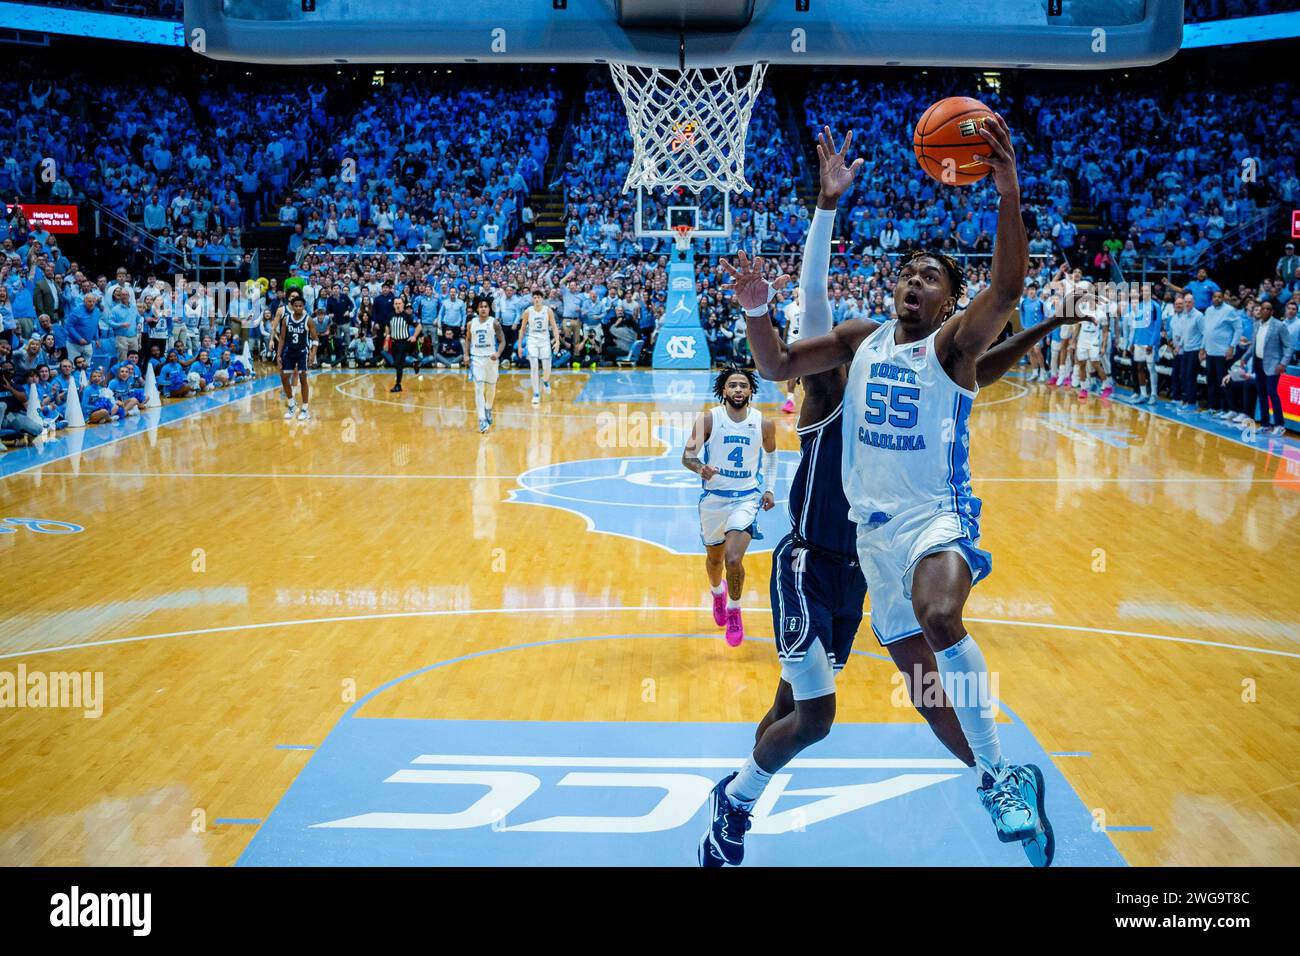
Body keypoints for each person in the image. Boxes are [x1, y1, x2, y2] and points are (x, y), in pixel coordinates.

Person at [731, 115, 1053, 862]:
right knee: (931, 700)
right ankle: (1003, 780)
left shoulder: (955, 345)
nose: (914, 279)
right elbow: (776, 363)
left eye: (931, 276)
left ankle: (1001, 778)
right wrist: (753, 307)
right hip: (874, 546)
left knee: (942, 615)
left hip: (935, 520)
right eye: (907, 270)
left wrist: (1005, 189)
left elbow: (1007, 285)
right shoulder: (858, 339)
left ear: (950, 302)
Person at [681, 365, 777, 648]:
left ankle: (735, 612)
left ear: (751, 390)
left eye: (743, 385)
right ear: (723, 390)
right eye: (732, 385)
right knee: (715, 561)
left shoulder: (764, 423)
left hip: (746, 497)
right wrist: (701, 468)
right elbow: (687, 456)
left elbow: (771, 457)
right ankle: (717, 593)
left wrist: (769, 488)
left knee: (733, 559)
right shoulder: (709, 418)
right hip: (714, 500)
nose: (738, 389)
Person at [467, 297, 505, 434]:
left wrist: (498, 353)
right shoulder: (471, 323)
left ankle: (488, 408)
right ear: (477, 309)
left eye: (486, 306)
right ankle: (482, 419)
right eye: (481, 306)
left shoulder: (494, 323)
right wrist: (466, 355)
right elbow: (467, 340)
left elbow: (502, 341)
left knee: (491, 388)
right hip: (477, 359)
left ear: (489, 309)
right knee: (478, 388)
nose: (483, 308)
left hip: (491, 359)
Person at [278, 290, 317, 421]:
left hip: (302, 352)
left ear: (303, 306)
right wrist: (278, 355)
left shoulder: (308, 320)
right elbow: (282, 338)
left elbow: (315, 339)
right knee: (284, 378)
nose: (298, 308)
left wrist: (313, 354)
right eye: (296, 306)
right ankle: (291, 404)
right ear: (292, 306)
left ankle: (305, 408)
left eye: (301, 306)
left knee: (303, 379)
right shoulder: (286, 320)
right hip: (289, 352)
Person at [517, 289, 559, 406]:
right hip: (532, 340)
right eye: (535, 297)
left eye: (539, 297)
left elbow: (554, 327)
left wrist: (557, 341)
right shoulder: (528, 311)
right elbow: (522, 329)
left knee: (547, 368)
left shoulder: (548, 310)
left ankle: (545, 381)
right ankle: (536, 394)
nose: (536, 299)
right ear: (532, 299)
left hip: (545, 340)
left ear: (542, 299)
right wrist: (520, 346)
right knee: (534, 366)